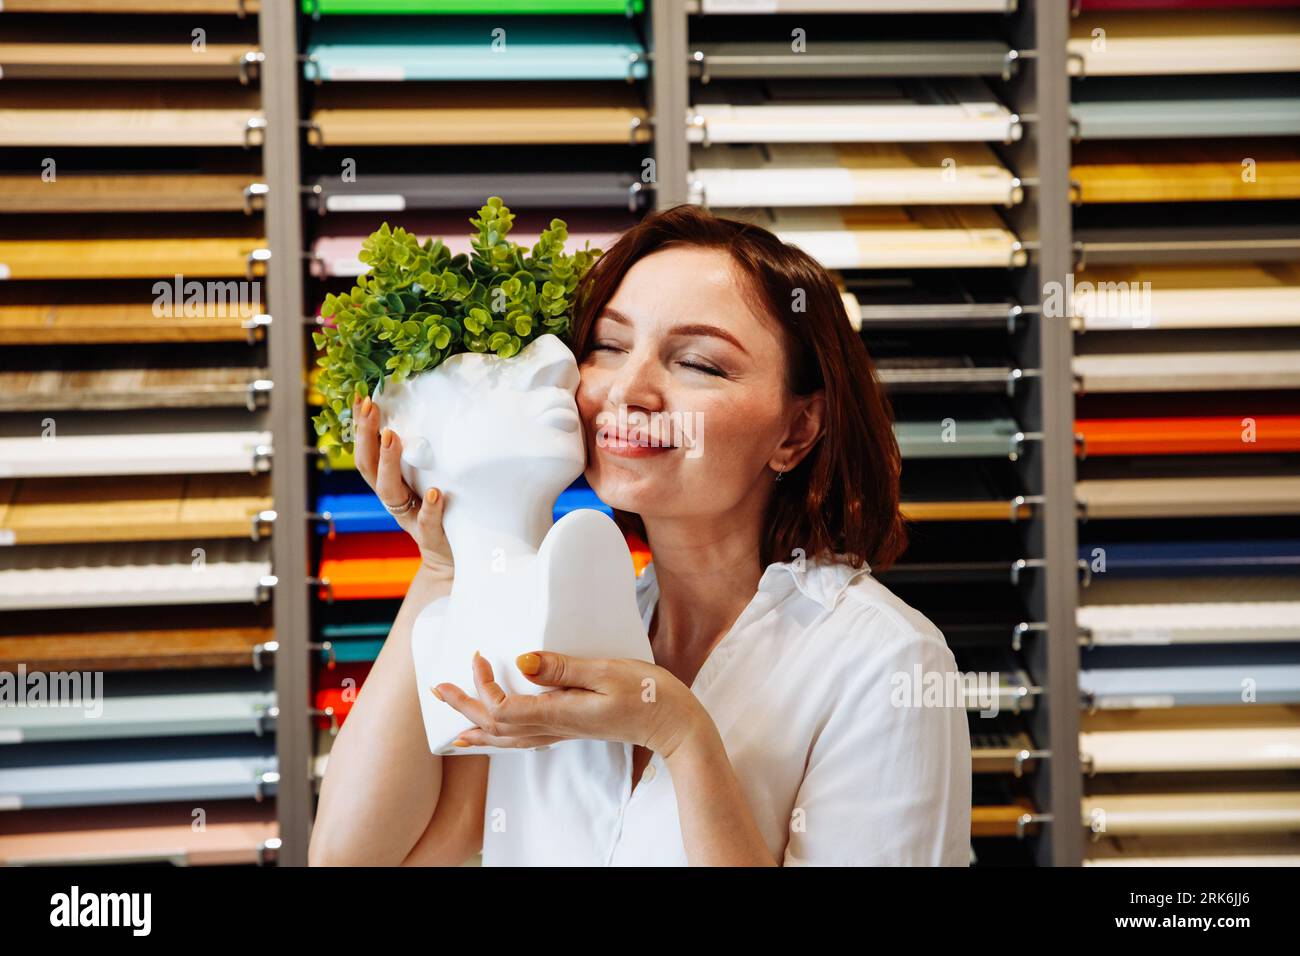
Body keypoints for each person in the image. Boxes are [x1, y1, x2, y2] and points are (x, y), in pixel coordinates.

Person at [309, 204, 972, 866]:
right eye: (610, 346)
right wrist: (442, 567)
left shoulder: (885, 664)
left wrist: (681, 736)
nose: (629, 389)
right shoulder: (561, 622)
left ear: (796, 431)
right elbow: (357, 858)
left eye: (699, 364)